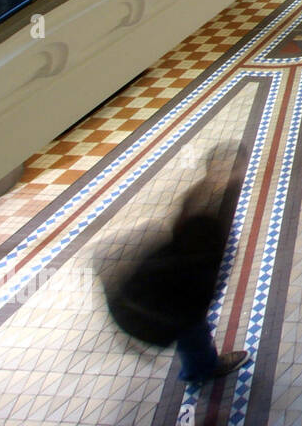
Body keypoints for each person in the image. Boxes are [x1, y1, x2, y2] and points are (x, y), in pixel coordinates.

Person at [100, 143, 250, 384]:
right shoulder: (210, 209)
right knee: (191, 327)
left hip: (160, 288)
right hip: (169, 297)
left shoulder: (201, 194)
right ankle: (201, 371)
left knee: (190, 326)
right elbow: (201, 265)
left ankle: (199, 366)